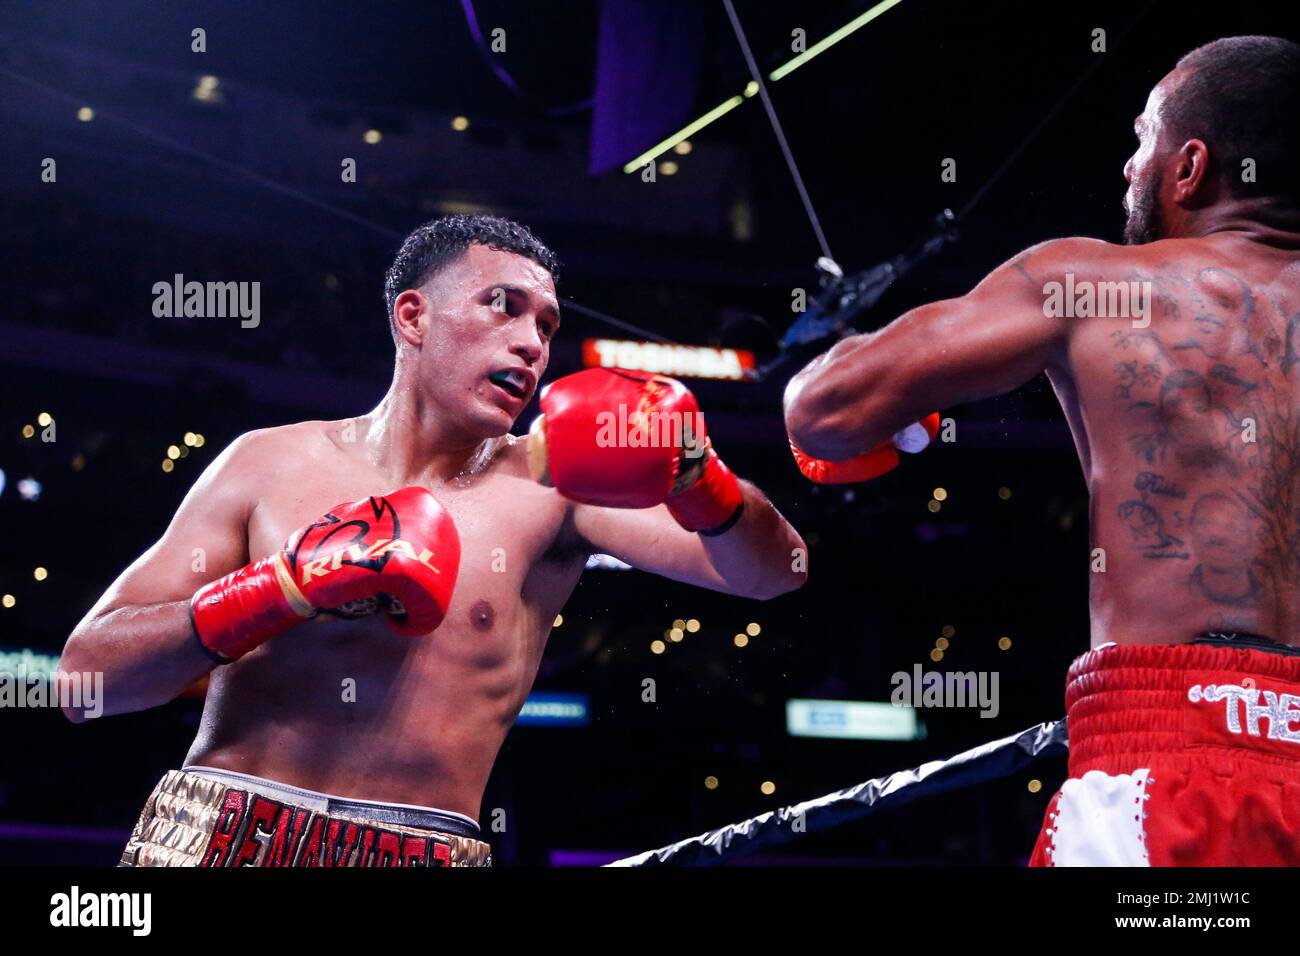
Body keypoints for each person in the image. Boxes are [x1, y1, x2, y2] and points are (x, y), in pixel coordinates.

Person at [59, 214, 806, 867]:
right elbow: (83, 685)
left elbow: (775, 572)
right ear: (413, 317)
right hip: (223, 830)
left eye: (546, 325)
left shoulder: (557, 482)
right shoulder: (269, 461)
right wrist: (279, 588)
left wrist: (697, 477)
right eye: (503, 308)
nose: (530, 345)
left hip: (424, 847)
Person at [783, 36, 1300, 866]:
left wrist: (885, 399)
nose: (1128, 168)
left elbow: (822, 409)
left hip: (1161, 768)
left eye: (1142, 140)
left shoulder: (1095, 283)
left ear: (1190, 165)